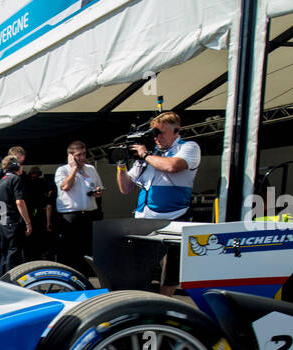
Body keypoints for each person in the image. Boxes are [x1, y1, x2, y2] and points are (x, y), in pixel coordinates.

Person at [115, 111, 200, 295]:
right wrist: (121, 164)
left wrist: (145, 156)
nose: (157, 138)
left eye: (161, 133)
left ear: (176, 131)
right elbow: (125, 188)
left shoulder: (188, 147)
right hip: (143, 221)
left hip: (172, 218)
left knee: (169, 273)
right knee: (137, 270)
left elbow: (172, 166)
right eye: (154, 133)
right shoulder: (151, 154)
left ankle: (164, 304)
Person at [52, 140, 104, 272]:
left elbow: (99, 186)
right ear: (71, 156)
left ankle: (86, 276)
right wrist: (74, 168)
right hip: (71, 215)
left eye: (84, 154)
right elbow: (65, 186)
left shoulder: (91, 169)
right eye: (79, 155)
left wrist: (97, 191)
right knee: (70, 250)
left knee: (87, 249)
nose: (82, 158)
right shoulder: (62, 170)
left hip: (89, 213)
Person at [0, 155, 33, 275]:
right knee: (13, 252)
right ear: (15, 166)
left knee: (5, 252)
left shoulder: (1, 180)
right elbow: (19, 202)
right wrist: (28, 222)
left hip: (2, 221)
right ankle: (11, 282)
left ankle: (3, 279)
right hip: (12, 221)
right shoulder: (16, 179)